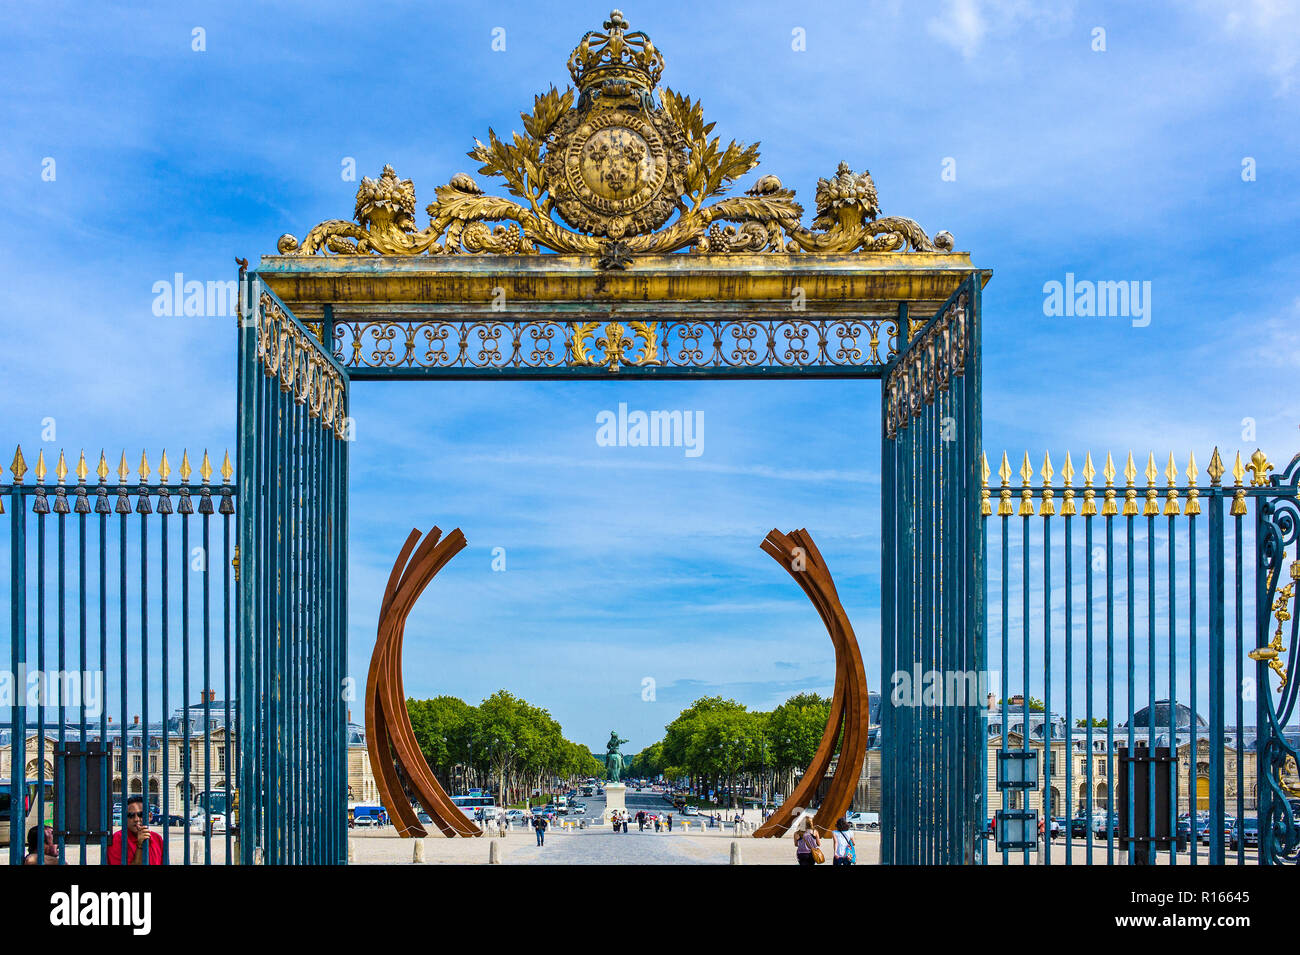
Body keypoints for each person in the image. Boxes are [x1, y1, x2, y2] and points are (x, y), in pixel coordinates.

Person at [108, 796, 164, 865]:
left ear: (150, 816)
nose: (136, 819)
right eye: (131, 815)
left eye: (141, 814)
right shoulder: (117, 839)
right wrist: (140, 845)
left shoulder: (157, 838)